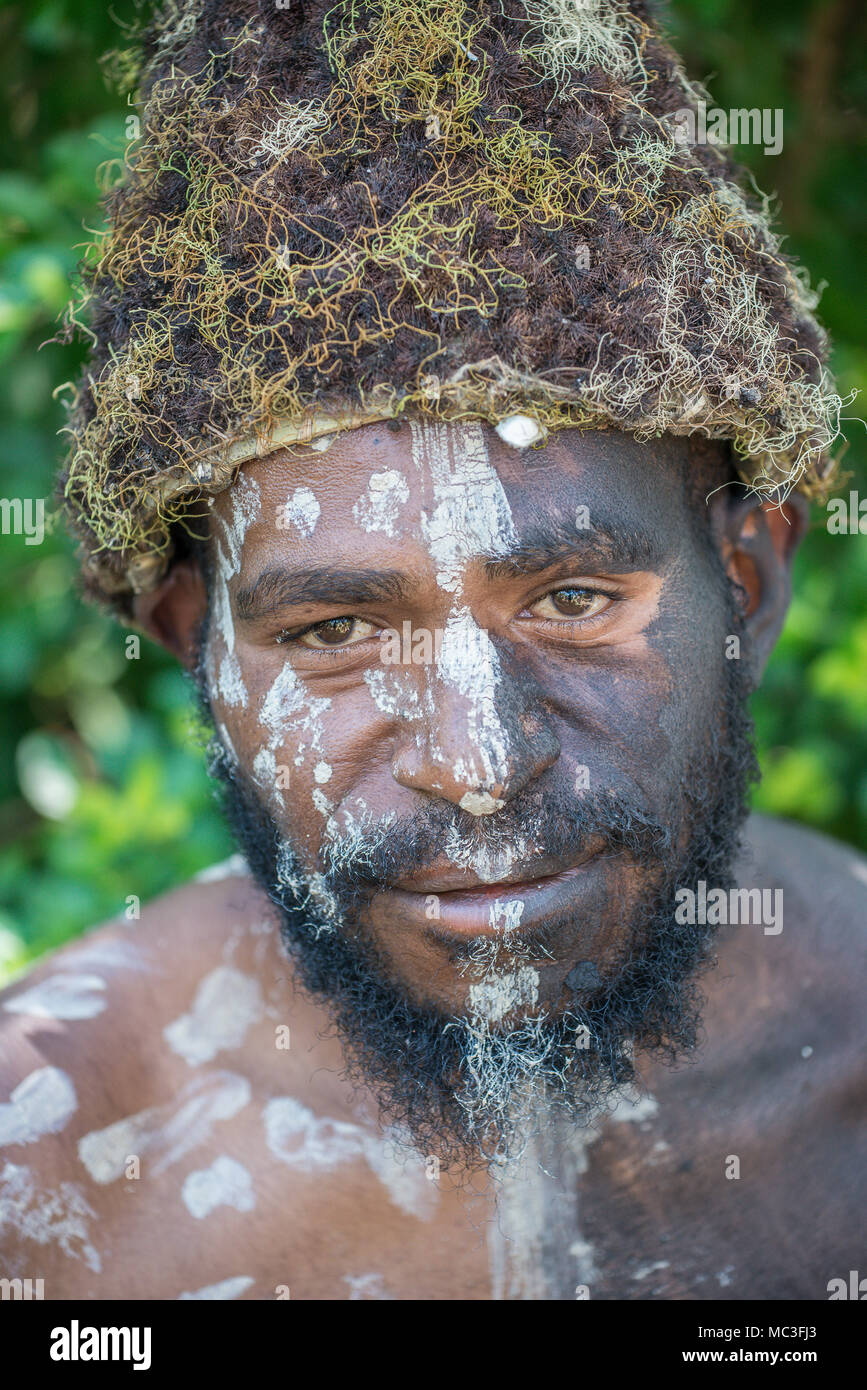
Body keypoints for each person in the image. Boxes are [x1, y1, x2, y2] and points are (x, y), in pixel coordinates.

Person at [1, 0, 863, 1301]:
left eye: (574, 600)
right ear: (194, 643)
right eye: (335, 631)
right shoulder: (44, 1177)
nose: (480, 764)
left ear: (745, 580)